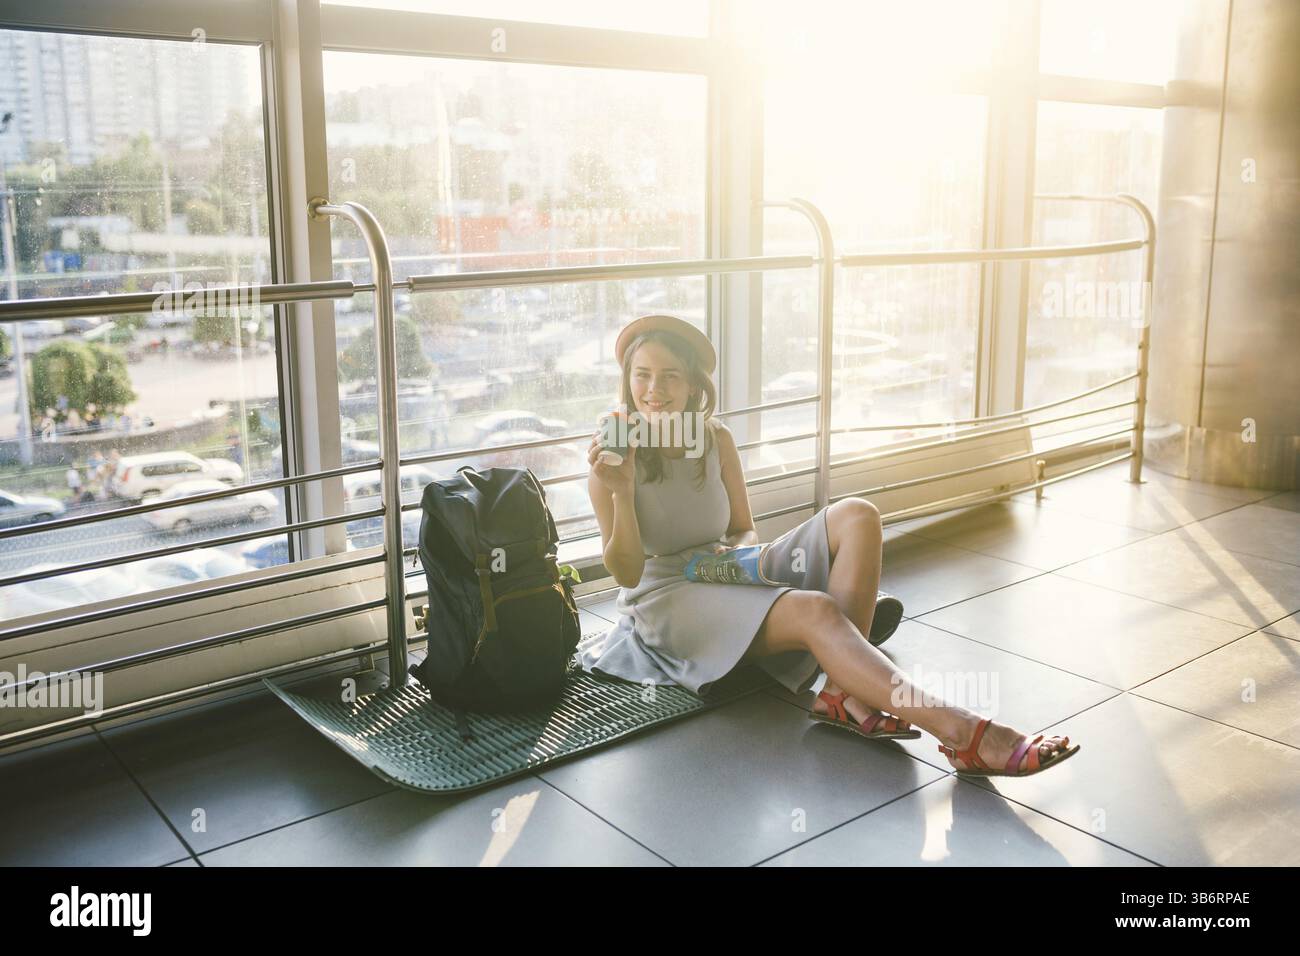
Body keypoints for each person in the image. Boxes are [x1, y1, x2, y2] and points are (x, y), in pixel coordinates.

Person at [578, 314, 1078, 777]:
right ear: (628, 381)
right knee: (817, 610)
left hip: (722, 569)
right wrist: (621, 491)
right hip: (664, 597)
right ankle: (963, 731)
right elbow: (624, 573)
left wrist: (736, 557)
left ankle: (842, 691)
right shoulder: (614, 458)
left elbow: (744, 527)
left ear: (692, 386)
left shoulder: (716, 438)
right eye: (642, 375)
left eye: (670, 377)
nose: (654, 391)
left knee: (859, 515)